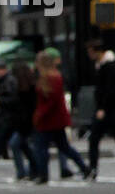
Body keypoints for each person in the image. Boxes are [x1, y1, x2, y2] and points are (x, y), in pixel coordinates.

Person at [31, 49, 88, 183]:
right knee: (62, 146)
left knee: (43, 147)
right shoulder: (50, 77)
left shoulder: (52, 78)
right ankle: (84, 168)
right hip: (53, 119)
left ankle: (43, 174)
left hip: (51, 119)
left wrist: (39, 114)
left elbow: (52, 100)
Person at [85, 38, 115, 180]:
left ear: (97, 52)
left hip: (110, 111)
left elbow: (111, 89)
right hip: (109, 110)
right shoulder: (101, 66)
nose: (89, 55)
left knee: (102, 138)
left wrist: (102, 107)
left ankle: (93, 169)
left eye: (90, 52)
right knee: (96, 138)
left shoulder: (109, 66)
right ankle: (92, 169)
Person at [7, 61, 39, 181]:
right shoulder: (24, 88)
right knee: (24, 146)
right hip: (26, 123)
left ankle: (27, 171)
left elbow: (27, 109)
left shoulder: (26, 90)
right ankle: (30, 170)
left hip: (28, 124)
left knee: (17, 144)